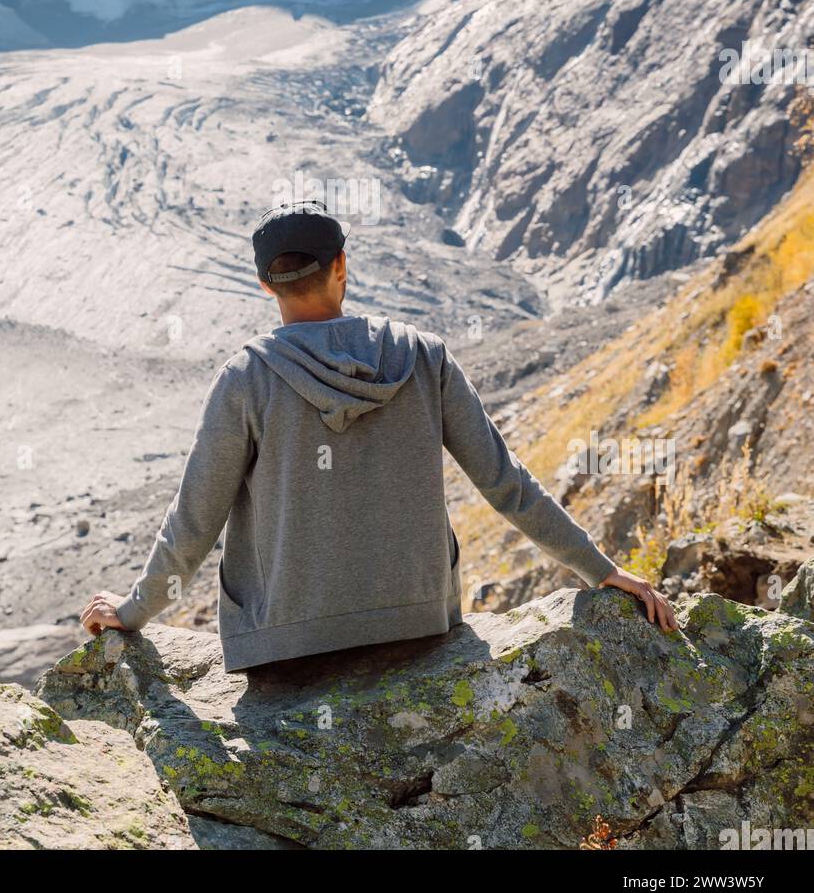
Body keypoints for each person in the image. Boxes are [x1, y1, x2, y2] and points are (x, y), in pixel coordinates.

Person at [82, 202, 676, 668]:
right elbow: (505, 483)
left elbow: (194, 523)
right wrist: (601, 571)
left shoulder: (245, 378)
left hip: (287, 642)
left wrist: (133, 612)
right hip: (417, 623)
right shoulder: (423, 356)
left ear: (266, 284)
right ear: (342, 265)